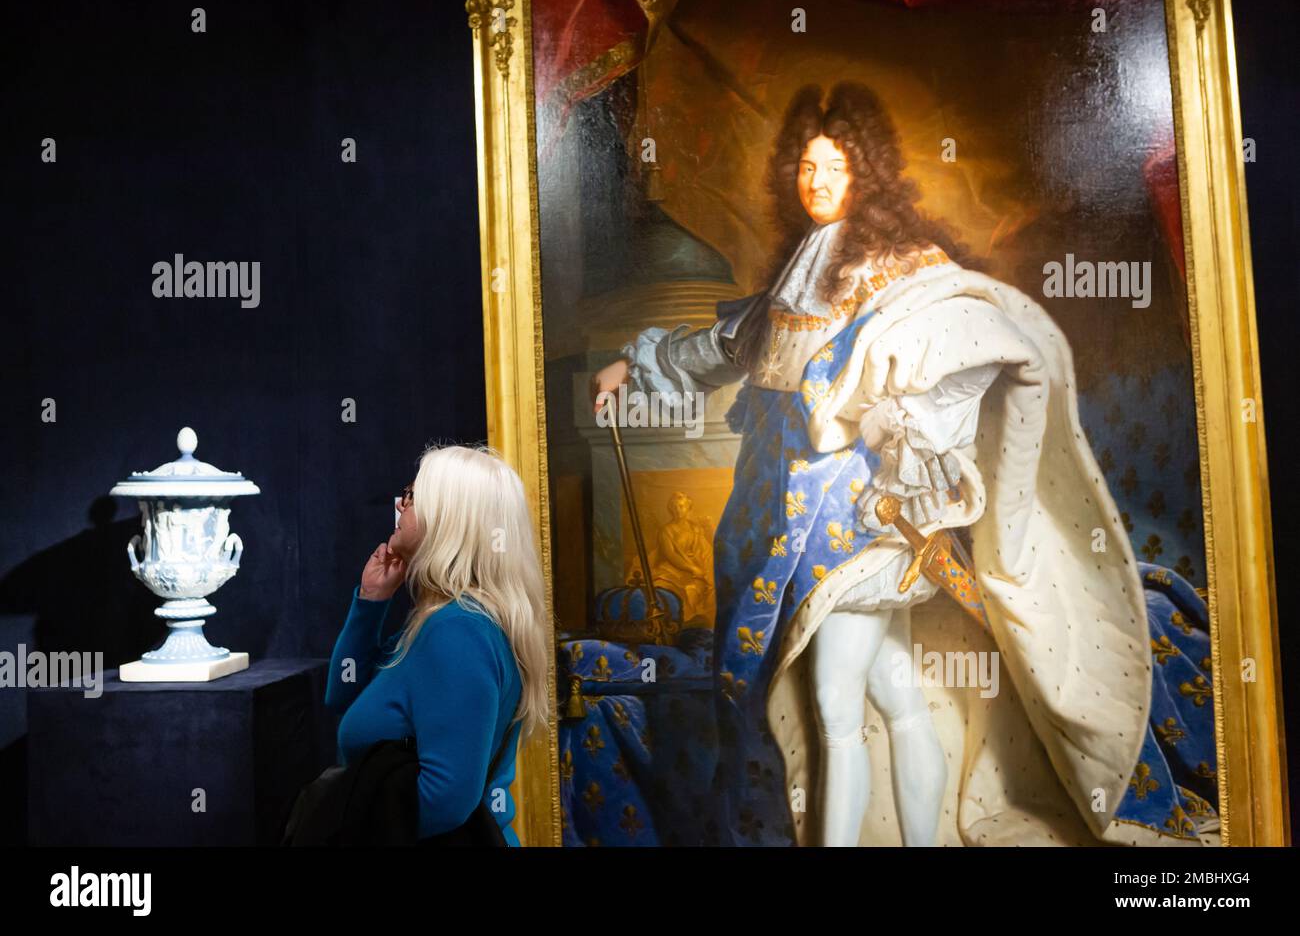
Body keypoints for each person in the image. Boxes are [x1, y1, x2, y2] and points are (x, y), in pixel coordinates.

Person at [590, 82, 1167, 847]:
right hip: (776, 518)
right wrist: (636, 365)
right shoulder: (801, 266)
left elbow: (976, 349)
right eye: (806, 166)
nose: (818, 180)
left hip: (858, 521)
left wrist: (908, 423)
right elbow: (733, 350)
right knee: (892, 690)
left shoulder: (902, 266)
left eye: (834, 166)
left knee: (834, 704)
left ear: (866, 174)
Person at [323, 444, 548, 846]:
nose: (399, 505)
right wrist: (370, 604)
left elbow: (445, 801)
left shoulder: (458, 630)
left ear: (447, 518)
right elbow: (342, 696)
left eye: (411, 495)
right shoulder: (443, 619)